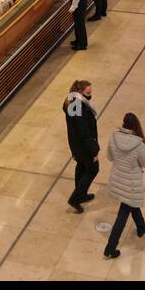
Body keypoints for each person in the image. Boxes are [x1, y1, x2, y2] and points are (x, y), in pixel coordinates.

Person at [102, 112, 145, 259]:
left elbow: (110, 157)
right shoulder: (138, 143)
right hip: (131, 183)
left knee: (130, 204)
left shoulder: (113, 137)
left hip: (117, 179)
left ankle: (141, 227)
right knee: (123, 213)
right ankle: (110, 248)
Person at [62, 80, 99, 212]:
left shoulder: (71, 102)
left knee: (82, 166)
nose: (90, 95)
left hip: (75, 144)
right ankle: (75, 199)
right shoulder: (79, 107)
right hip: (84, 146)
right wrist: (94, 150)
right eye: (88, 93)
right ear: (80, 92)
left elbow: (75, 129)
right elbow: (84, 132)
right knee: (93, 169)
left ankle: (81, 194)